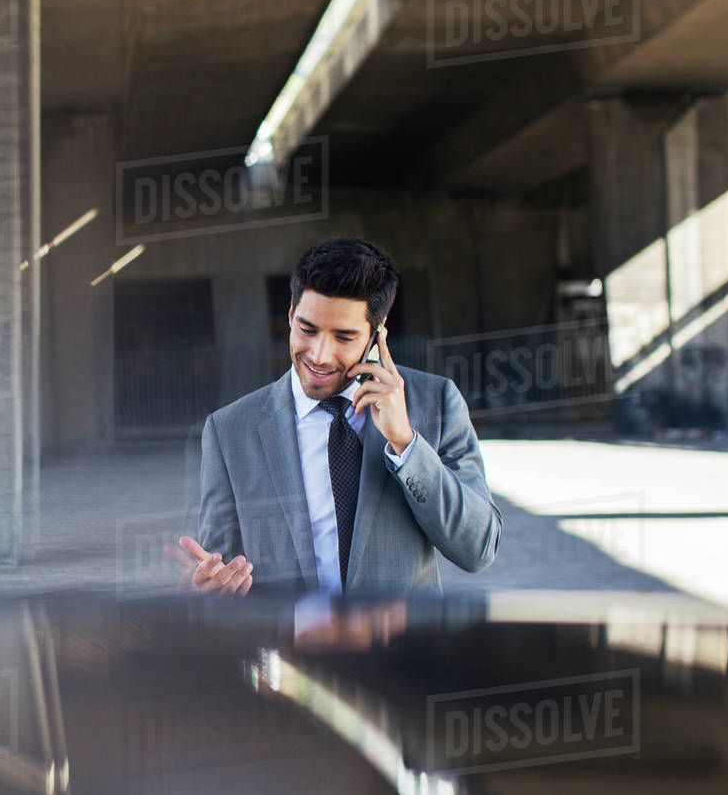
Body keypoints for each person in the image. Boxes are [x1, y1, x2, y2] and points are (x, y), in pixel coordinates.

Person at [168, 237, 501, 597]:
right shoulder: (229, 430)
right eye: (307, 330)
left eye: (344, 336)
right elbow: (220, 569)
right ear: (291, 314)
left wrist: (406, 443)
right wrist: (209, 591)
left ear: (377, 332)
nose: (320, 356)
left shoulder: (435, 402)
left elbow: (478, 549)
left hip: (404, 651)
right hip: (291, 650)